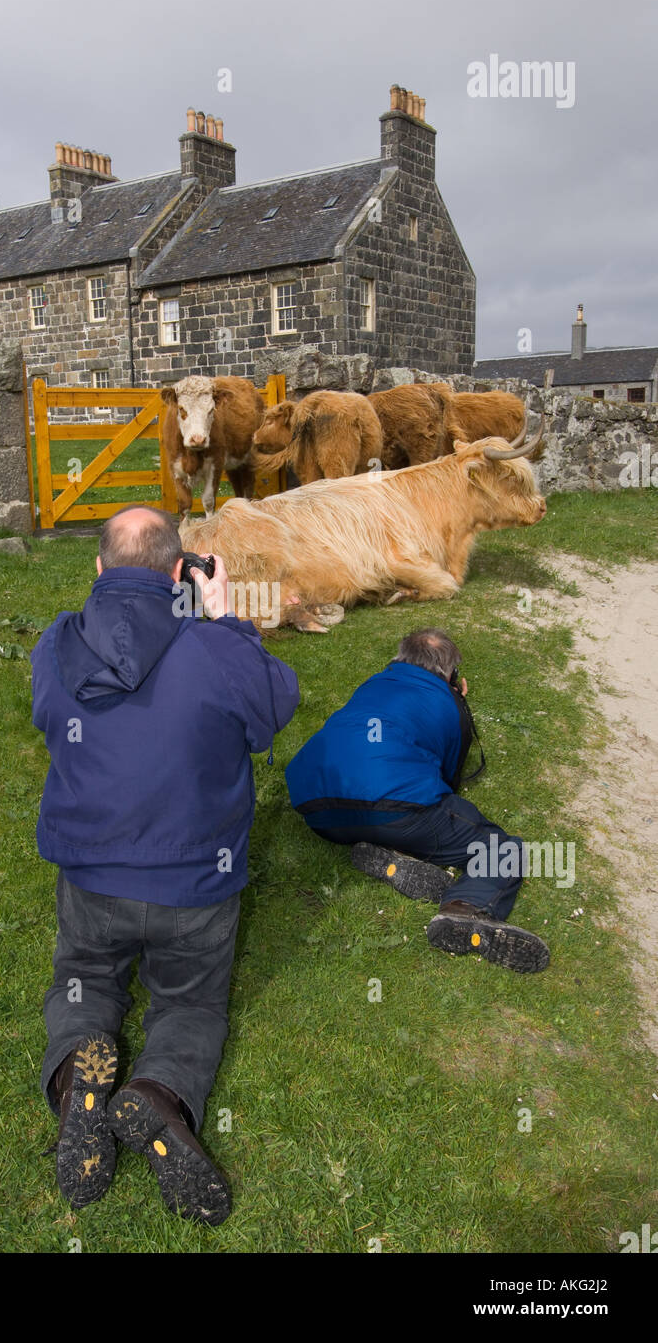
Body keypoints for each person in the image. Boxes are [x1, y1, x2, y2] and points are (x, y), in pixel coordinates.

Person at [31, 506, 299, 1225]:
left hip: (91, 871)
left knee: (85, 979)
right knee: (188, 1004)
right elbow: (275, 708)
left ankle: (77, 1072)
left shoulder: (55, 646)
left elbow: (48, 718)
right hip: (194, 883)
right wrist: (225, 620)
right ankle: (157, 1097)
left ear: (97, 570)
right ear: (181, 571)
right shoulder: (212, 648)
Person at [285, 628, 549, 973]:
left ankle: (393, 853)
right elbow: (446, 782)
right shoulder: (450, 700)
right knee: (500, 847)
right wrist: (460, 703)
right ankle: (464, 909)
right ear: (451, 674)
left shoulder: (374, 682)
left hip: (316, 809)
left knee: (388, 811)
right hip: (396, 808)